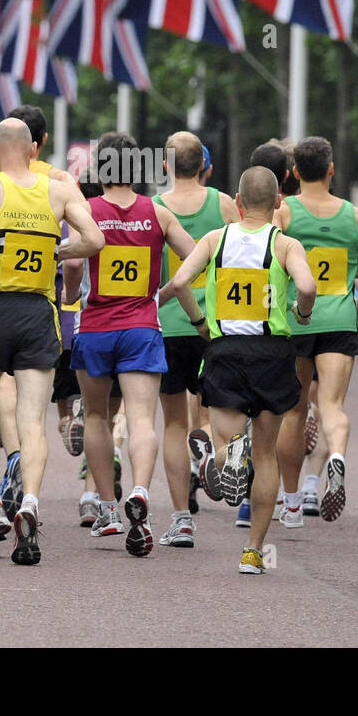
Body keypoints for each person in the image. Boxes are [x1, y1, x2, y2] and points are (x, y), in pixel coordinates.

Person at [0, 118, 103, 566]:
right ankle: (31, 502)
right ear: (34, 150)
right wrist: (60, 251)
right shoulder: (58, 189)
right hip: (39, 311)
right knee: (33, 421)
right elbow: (95, 239)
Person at [161, 166, 317, 575]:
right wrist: (303, 314)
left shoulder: (215, 239)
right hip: (273, 353)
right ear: (280, 203)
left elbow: (179, 282)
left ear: (239, 202)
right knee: (267, 456)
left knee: (224, 433)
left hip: (225, 349)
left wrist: (200, 324)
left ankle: (229, 454)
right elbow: (307, 287)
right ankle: (252, 551)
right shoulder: (285, 245)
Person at [64, 132, 196, 556]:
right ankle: (139, 489)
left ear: (99, 170)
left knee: (98, 417)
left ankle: (107, 508)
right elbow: (196, 258)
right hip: (142, 327)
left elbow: (72, 264)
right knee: (142, 421)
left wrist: (70, 299)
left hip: (96, 328)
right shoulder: (157, 213)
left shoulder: (85, 210)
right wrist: (166, 291)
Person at [274, 136, 358, 525]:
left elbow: (268, 260)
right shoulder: (356, 217)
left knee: (294, 412)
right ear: (331, 171)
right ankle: (338, 456)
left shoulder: (285, 214)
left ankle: (291, 502)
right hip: (339, 323)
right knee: (331, 406)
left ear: (294, 173)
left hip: (295, 321)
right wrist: (350, 270)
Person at [151, 131, 239, 547]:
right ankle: (214, 457)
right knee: (213, 418)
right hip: (213, 325)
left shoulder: (154, 209)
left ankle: (182, 519)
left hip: (167, 325)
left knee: (172, 422)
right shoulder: (223, 204)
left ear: (166, 165)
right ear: (203, 164)